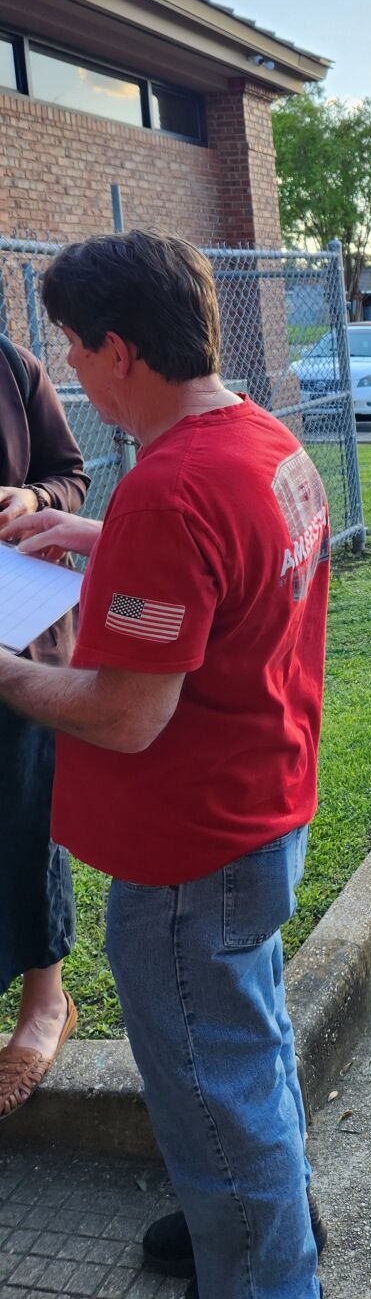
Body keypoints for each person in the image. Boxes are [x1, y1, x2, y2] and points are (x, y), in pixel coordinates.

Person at [0, 231, 330, 1294]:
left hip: (191, 854)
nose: (71, 371)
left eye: (72, 348)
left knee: (211, 1087)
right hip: (260, 807)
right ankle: (238, 1217)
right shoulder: (261, 441)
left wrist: (3, 670)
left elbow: (128, 713)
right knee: (247, 1049)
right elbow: (216, 579)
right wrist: (99, 540)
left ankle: (265, 1269)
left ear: (120, 351)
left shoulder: (170, 491)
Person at [0, 337, 90, 1121]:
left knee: (30, 815)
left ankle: (45, 1002)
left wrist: (33, 501)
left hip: (18, 637)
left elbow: (71, 475)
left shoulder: (14, 366)